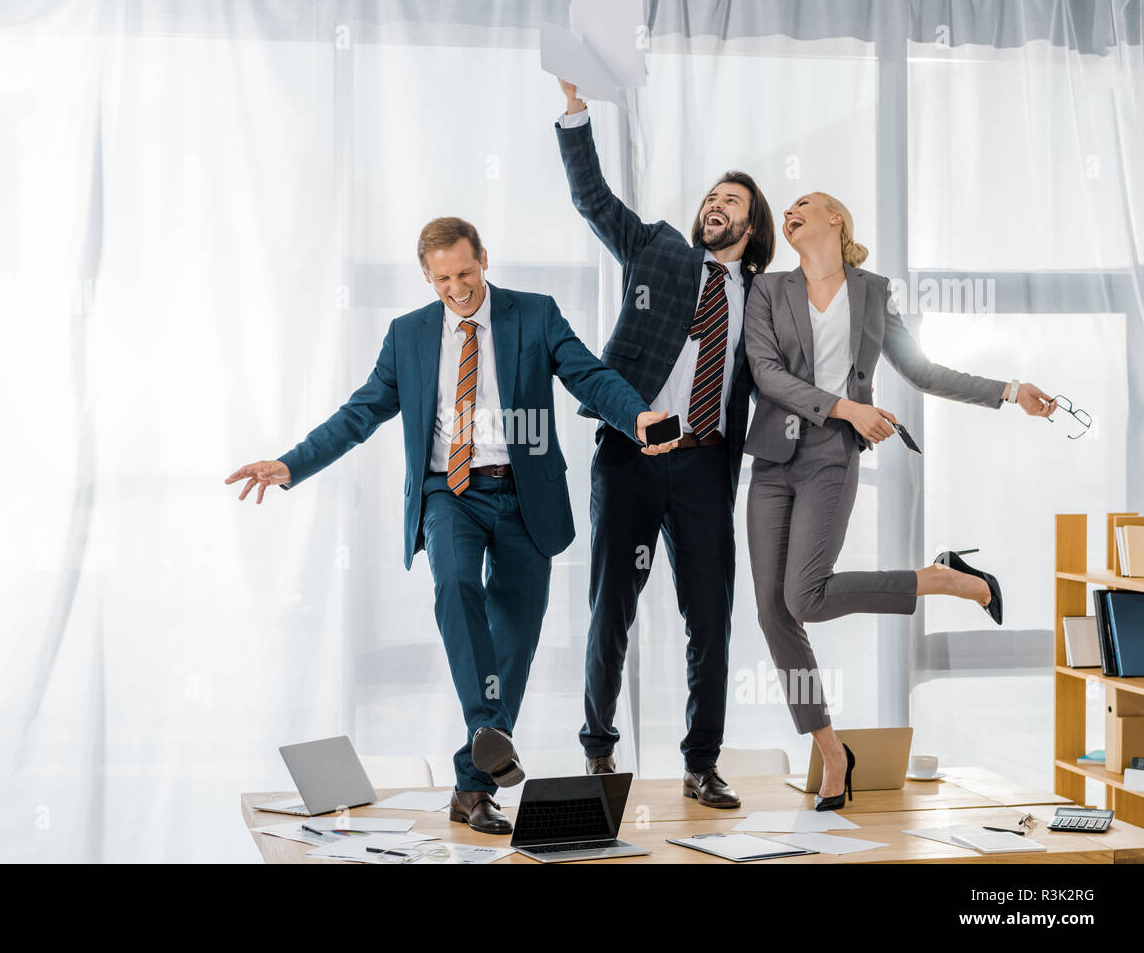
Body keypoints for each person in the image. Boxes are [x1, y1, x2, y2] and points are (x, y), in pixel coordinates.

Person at [226, 217, 676, 834]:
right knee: (456, 585)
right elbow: (360, 413)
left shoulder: (534, 314)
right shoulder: (408, 335)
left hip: (523, 496)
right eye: (443, 279)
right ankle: (489, 727)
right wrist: (290, 462)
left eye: (465, 273)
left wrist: (637, 415)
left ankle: (471, 788)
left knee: (515, 639)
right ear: (427, 276)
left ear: (484, 259)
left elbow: (587, 373)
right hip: (450, 493)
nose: (457, 288)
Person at [743, 191, 1058, 810]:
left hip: (830, 458)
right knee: (774, 612)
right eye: (787, 208)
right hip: (772, 461)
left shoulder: (871, 292)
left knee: (803, 596)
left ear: (835, 218)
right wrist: (847, 406)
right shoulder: (769, 289)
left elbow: (922, 371)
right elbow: (764, 370)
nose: (790, 210)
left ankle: (938, 579)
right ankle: (833, 751)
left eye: (804, 203)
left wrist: (1011, 389)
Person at [554, 78, 776, 809]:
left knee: (711, 617)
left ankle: (701, 761)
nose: (716, 205)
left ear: (752, 229)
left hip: (708, 468)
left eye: (732, 202)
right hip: (631, 455)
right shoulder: (655, 249)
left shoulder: (765, 299)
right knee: (611, 605)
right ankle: (597, 750)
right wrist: (575, 109)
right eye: (712, 197)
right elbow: (592, 198)